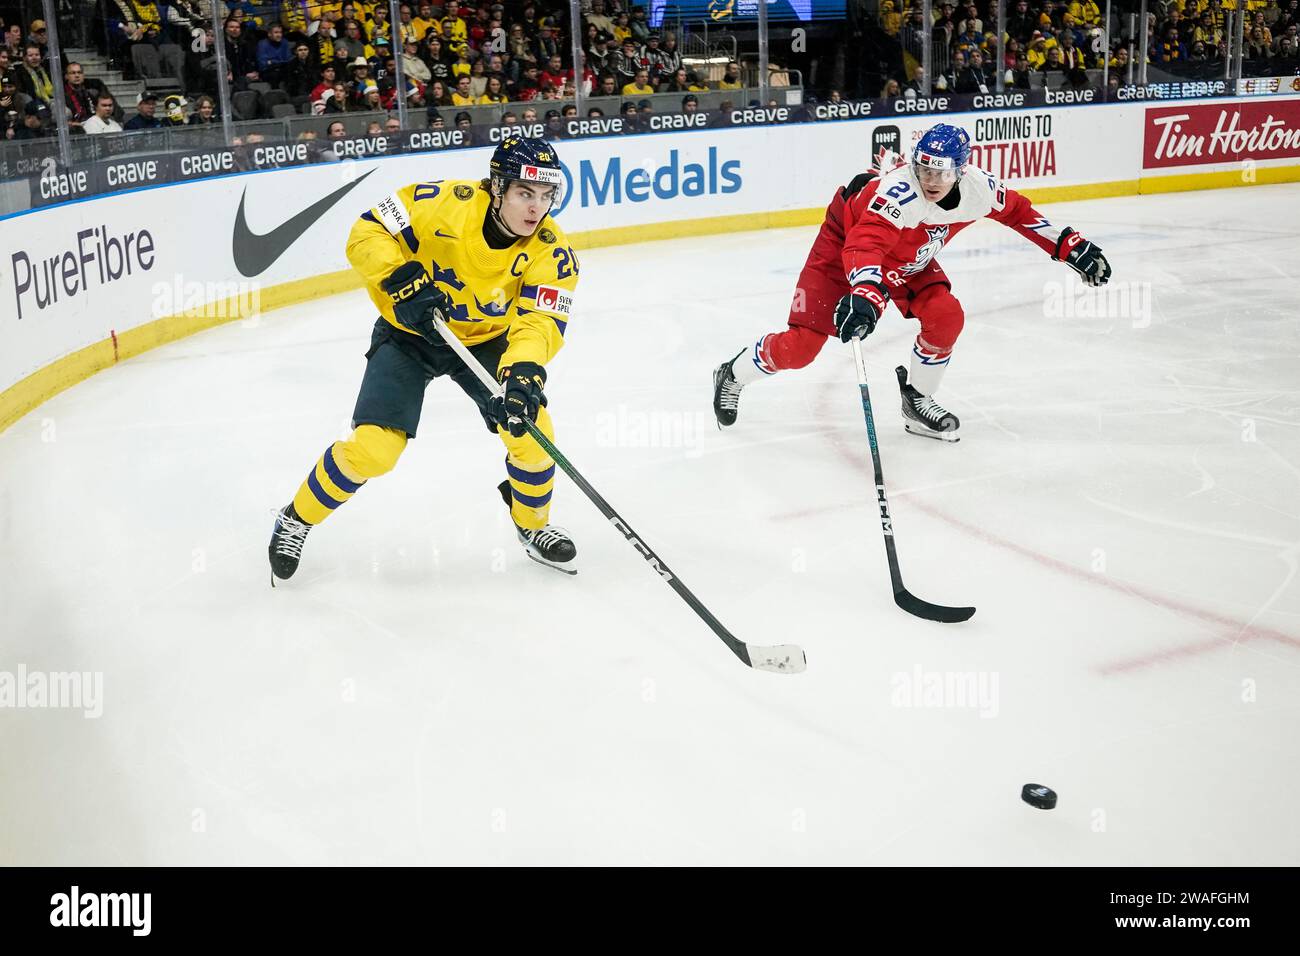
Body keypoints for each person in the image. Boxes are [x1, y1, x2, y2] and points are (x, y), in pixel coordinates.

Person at [269, 137, 580, 581]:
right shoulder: (440, 203)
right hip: (408, 336)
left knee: (532, 434)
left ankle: (531, 527)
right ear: (497, 187)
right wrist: (397, 277)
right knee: (376, 450)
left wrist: (525, 373)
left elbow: (540, 320)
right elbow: (366, 230)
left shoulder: (551, 249)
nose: (537, 208)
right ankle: (294, 519)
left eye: (547, 196)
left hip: (487, 341)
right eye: (524, 194)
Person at [711, 123, 1111, 442]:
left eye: (942, 172)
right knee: (801, 349)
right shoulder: (899, 192)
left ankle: (917, 399)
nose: (931, 180)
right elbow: (865, 242)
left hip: (909, 258)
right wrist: (866, 292)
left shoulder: (979, 189)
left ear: (961, 170)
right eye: (924, 169)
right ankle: (733, 373)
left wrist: (1069, 246)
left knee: (946, 315)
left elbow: (1021, 214)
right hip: (842, 252)